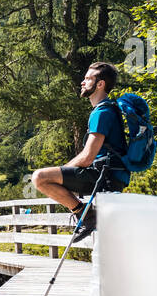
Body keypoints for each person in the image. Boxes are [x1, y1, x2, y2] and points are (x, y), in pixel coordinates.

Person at [31, 61, 130, 244]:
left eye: (87, 78)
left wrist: (61, 172)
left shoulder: (102, 112)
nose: (82, 82)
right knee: (48, 178)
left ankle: (86, 215)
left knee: (40, 178)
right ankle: (86, 215)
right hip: (110, 175)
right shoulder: (106, 110)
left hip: (105, 177)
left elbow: (87, 157)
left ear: (100, 84)